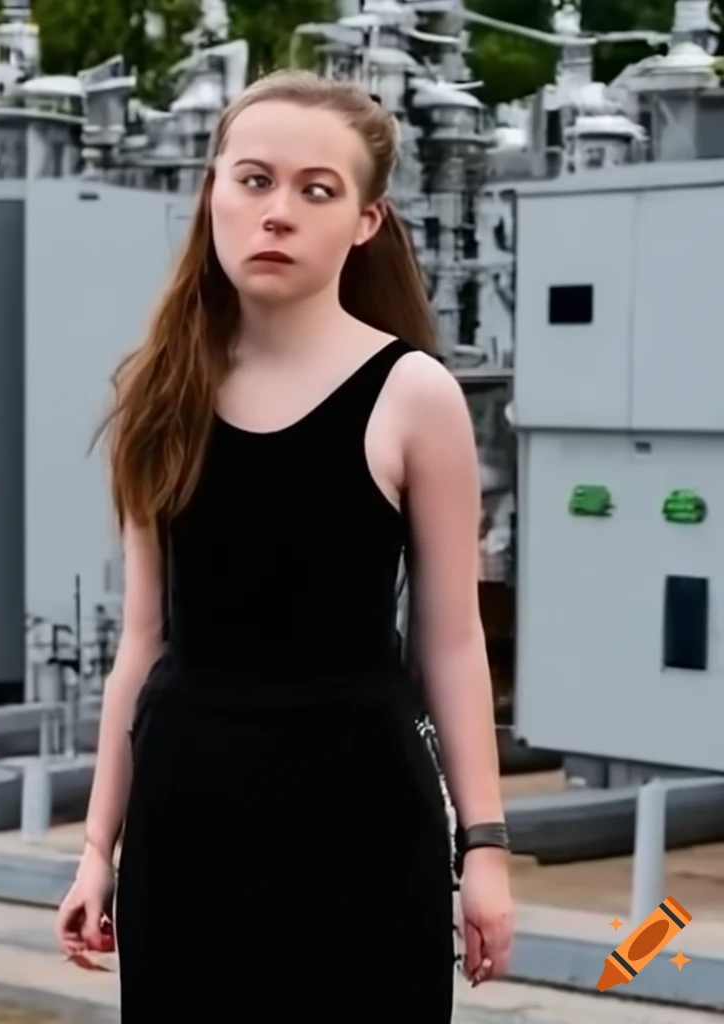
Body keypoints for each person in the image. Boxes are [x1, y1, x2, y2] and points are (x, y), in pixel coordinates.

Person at [56, 69, 514, 1020]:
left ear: (365, 222)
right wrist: (97, 848)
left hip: (361, 814)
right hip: (188, 815)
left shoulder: (414, 393)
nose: (278, 213)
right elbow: (141, 644)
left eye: (318, 190)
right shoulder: (158, 393)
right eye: (254, 180)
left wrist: (486, 847)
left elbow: (453, 640)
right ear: (210, 192)